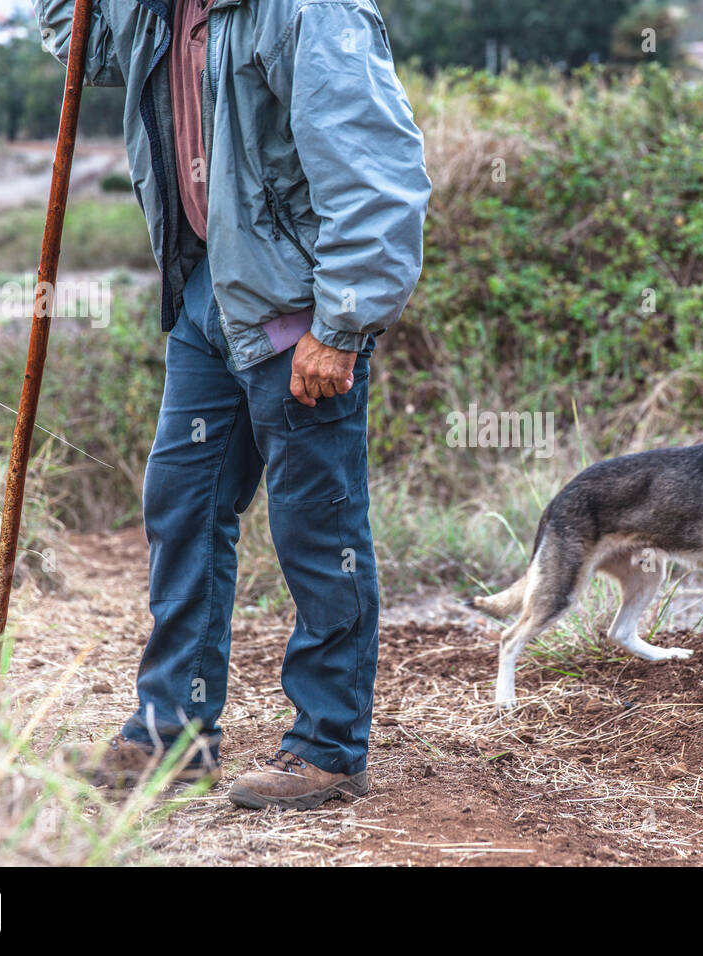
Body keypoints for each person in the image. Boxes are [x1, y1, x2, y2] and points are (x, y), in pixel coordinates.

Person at [33, 0, 431, 809]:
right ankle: (174, 733)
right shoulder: (150, 8)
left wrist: (343, 325)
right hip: (207, 295)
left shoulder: (310, 13)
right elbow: (75, 43)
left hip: (295, 311)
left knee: (317, 528)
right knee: (182, 505)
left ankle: (327, 747)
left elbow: (378, 171)